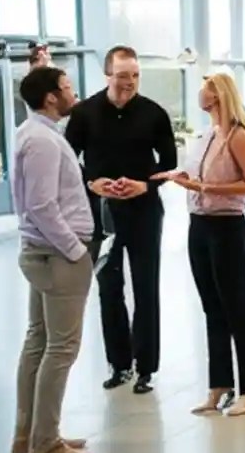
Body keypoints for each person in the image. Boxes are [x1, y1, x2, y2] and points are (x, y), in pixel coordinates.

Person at [11, 65, 108, 453]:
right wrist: (75, 250)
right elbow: (41, 204)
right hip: (58, 255)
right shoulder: (43, 141)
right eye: (67, 88)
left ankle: (29, 435)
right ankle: (46, 447)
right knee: (61, 347)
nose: (74, 94)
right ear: (51, 97)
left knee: (39, 341)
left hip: (44, 252)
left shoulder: (35, 133)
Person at [65, 46, 177, 394]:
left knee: (146, 286)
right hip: (101, 213)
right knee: (109, 288)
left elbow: (169, 161)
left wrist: (144, 183)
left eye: (134, 76)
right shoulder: (84, 113)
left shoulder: (154, 114)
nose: (129, 83)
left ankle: (146, 369)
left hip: (144, 209)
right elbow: (68, 159)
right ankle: (120, 364)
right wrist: (91, 182)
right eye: (122, 76)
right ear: (107, 74)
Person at [154, 73, 245, 417]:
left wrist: (207, 189)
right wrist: (180, 179)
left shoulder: (237, 136)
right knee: (211, 307)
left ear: (216, 95)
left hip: (228, 227)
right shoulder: (206, 136)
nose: (200, 93)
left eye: (205, 87)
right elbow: (198, 180)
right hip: (199, 225)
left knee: (235, 306)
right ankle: (219, 386)